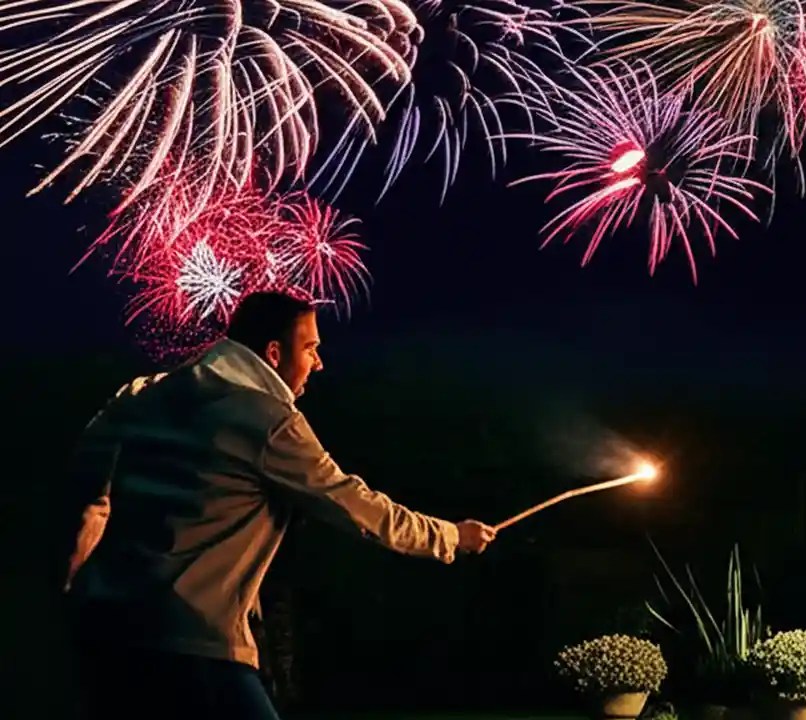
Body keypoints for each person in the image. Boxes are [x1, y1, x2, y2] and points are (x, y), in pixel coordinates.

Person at [61, 291, 498, 719]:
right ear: (273, 353)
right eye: (310, 348)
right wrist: (452, 536)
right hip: (194, 641)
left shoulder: (141, 395)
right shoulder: (269, 422)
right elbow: (359, 508)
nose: (318, 362)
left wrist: (74, 584)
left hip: (107, 632)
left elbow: (87, 498)